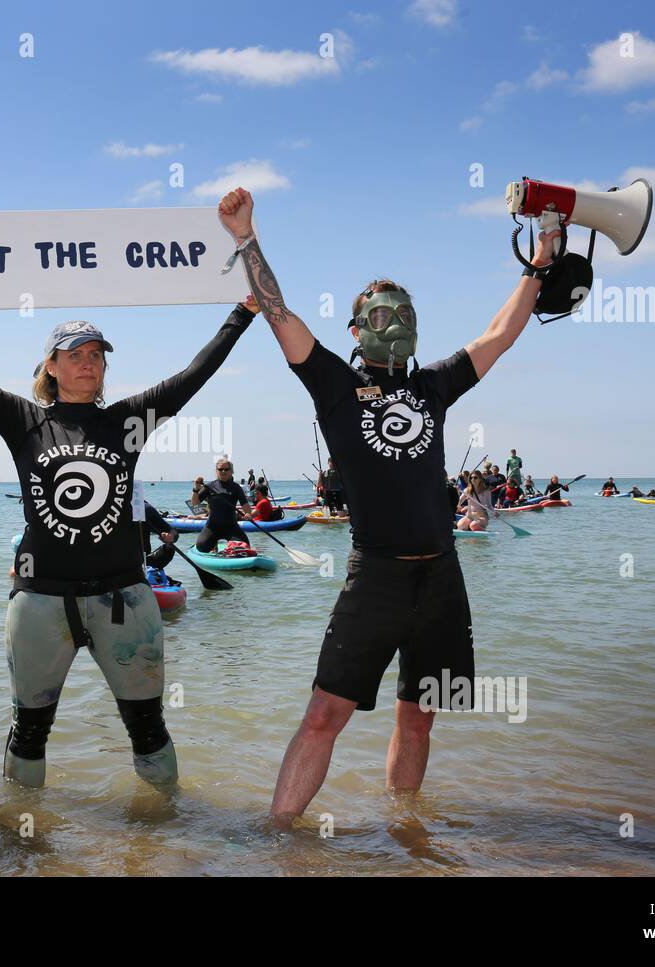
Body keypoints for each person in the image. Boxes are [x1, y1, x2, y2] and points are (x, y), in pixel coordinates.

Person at [215, 185, 558, 822]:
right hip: (375, 575)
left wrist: (539, 261)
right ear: (355, 330)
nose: (393, 323)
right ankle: (275, 838)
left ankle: (405, 838)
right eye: (378, 316)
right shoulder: (335, 384)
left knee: (420, 715)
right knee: (324, 714)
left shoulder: (434, 385)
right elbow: (277, 310)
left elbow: (501, 333)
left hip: (442, 576)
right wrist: (246, 238)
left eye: (403, 313)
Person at [0, 278, 257, 789]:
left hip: (123, 600)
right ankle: (23, 844)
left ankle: (164, 843)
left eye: (96, 355)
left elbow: (193, 375)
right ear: (51, 366)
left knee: (148, 729)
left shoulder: (129, 421)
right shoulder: (22, 420)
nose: (87, 362)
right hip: (41, 602)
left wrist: (242, 314)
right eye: (74, 354)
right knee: (28, 733)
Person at [191, 457, 254, 552]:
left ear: (231, 471)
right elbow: (195, 503)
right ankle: (213, 544)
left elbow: (245, 504)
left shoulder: (236, 487)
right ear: (216, 471)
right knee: (201, 547)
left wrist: (248, 514)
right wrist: (196, 489)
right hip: (212, 526)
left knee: (244, 547)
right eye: (220, 469)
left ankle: (231, 545)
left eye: (226, 469)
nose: (223, 471)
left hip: (231, 526)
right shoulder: (209, 486)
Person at [139, 501, 178, 571]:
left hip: (140, 563)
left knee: (169, 547)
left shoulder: (144, 508)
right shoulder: (144, 508)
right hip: (117, 562)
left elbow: (174, 535)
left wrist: (168, 538)